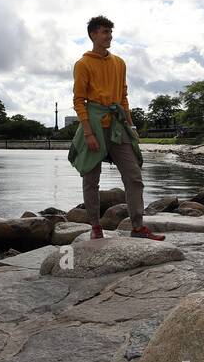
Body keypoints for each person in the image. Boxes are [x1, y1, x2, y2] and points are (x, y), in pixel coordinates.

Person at [69, 15, 165, 241]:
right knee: (91, 178)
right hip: (93, 124)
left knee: (134, 177)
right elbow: (78, 101)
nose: (109, 36)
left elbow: (123, 98)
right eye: (104, 32)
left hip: (117, 125)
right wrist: (89, 133)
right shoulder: (83, 64)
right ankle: (95, 227)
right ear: (93, 35)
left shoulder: (119, 63)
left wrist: (131, 125)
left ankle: (138, 227)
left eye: (110, 32)